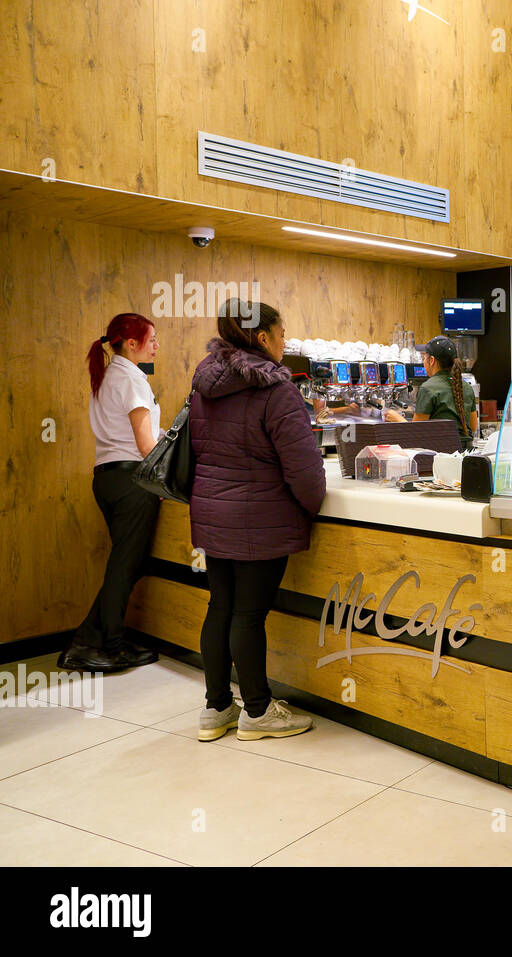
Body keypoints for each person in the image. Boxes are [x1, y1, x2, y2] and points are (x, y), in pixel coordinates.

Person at [188, 299, 325, 742]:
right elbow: (303, 469)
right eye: (282, 334)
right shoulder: (276, 389)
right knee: (249, 615)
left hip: (211, 513)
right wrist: (312, 505)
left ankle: (217, 708)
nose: (286, 343)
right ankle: (259, 711)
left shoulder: (204, 382)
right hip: (260, 518)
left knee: (220, 608)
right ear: (262, 337)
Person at [59, 314, 165, 672]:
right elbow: (145, 443)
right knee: (126, 565)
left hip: (107, 478)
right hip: (132, 481)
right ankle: (105, 645)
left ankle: (93, 640)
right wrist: (168, 480)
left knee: (126, 564)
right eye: (151, 340)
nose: (156, 346)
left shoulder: (107, 376)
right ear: (131, 344)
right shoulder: (132, 378)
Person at [413, 336, 477, 450]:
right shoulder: (467, 387)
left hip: (441, 456)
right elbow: (473, 426)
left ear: (432, 360)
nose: (423, 362)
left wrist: (397, 419)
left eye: (424, 358)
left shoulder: (428, 388)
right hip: (467, 454)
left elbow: (417, 432)